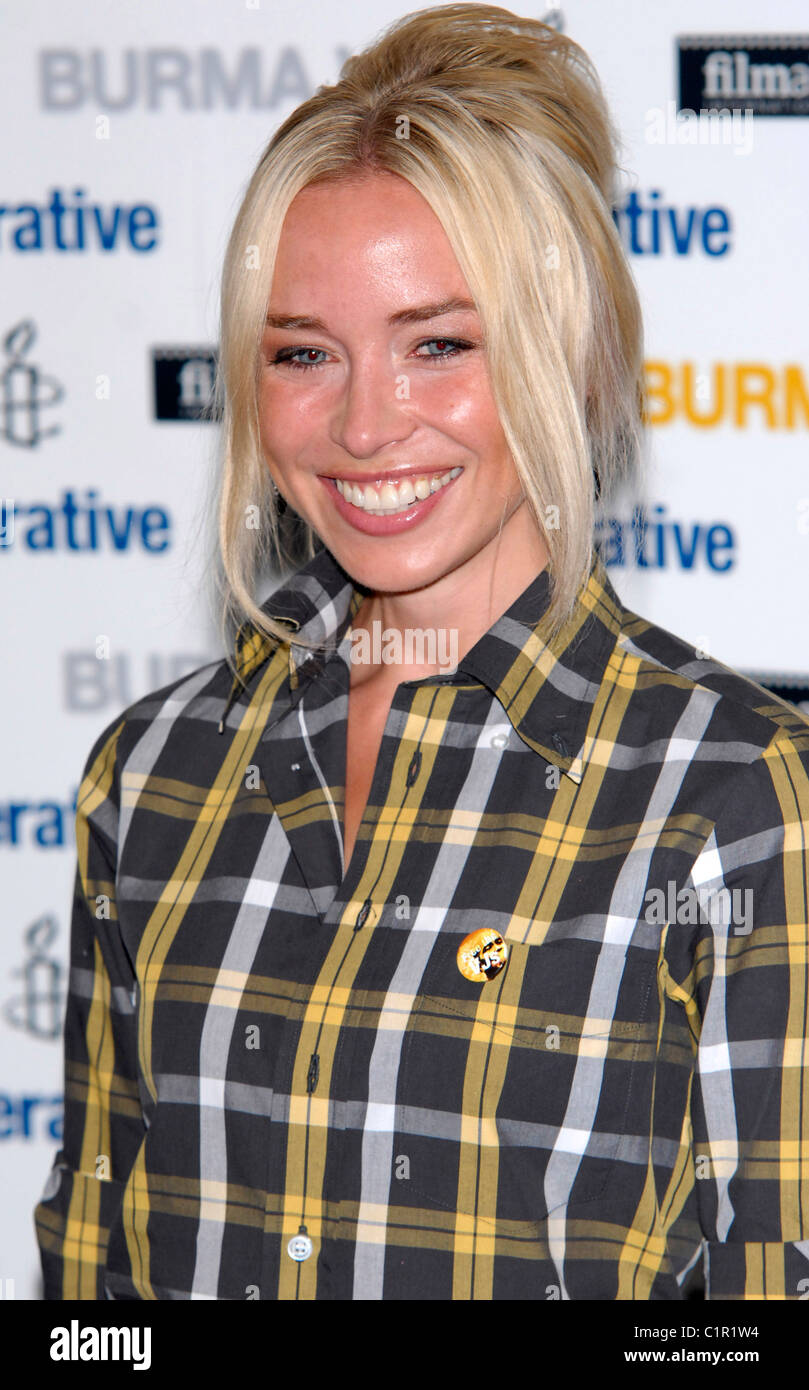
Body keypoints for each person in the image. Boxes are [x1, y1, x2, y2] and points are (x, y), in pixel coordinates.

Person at [35, 3, 809, 1301]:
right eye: (300, 353)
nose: (362, 421)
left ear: (564, 352)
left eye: (437, 343)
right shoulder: (155, 775)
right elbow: (89, 1297)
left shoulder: (732, 803)